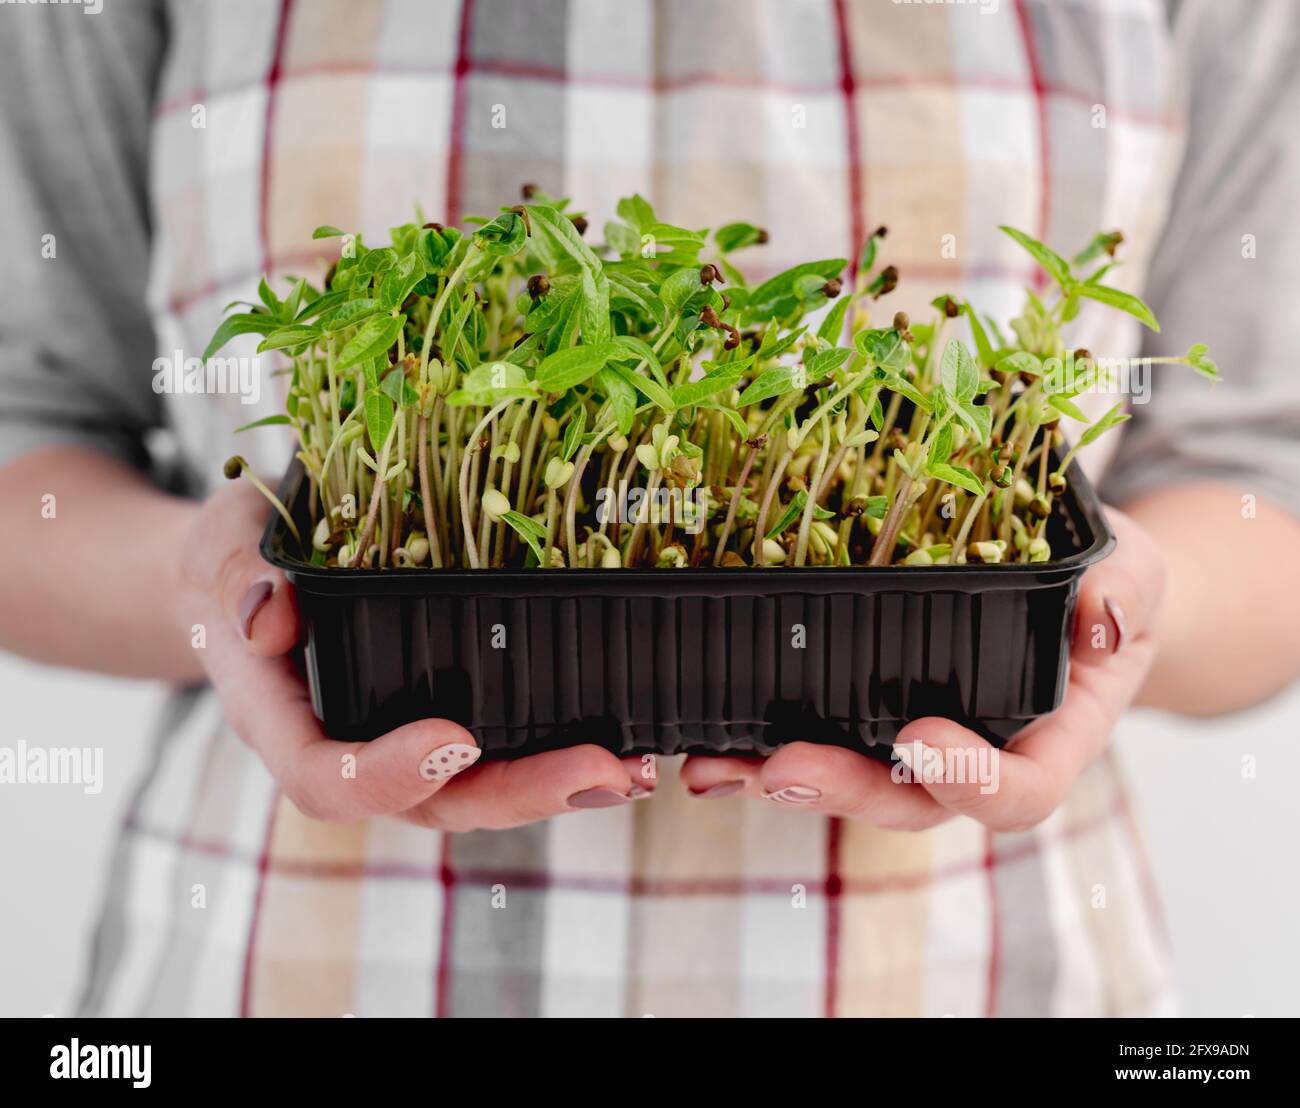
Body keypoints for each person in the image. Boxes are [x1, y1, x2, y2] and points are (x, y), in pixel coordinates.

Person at [2, 0, 1297, 1017]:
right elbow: (28, 440)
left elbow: (1261, 496)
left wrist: (1106, 621)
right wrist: (217, 589)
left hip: (976, 971)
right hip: (283, 966)